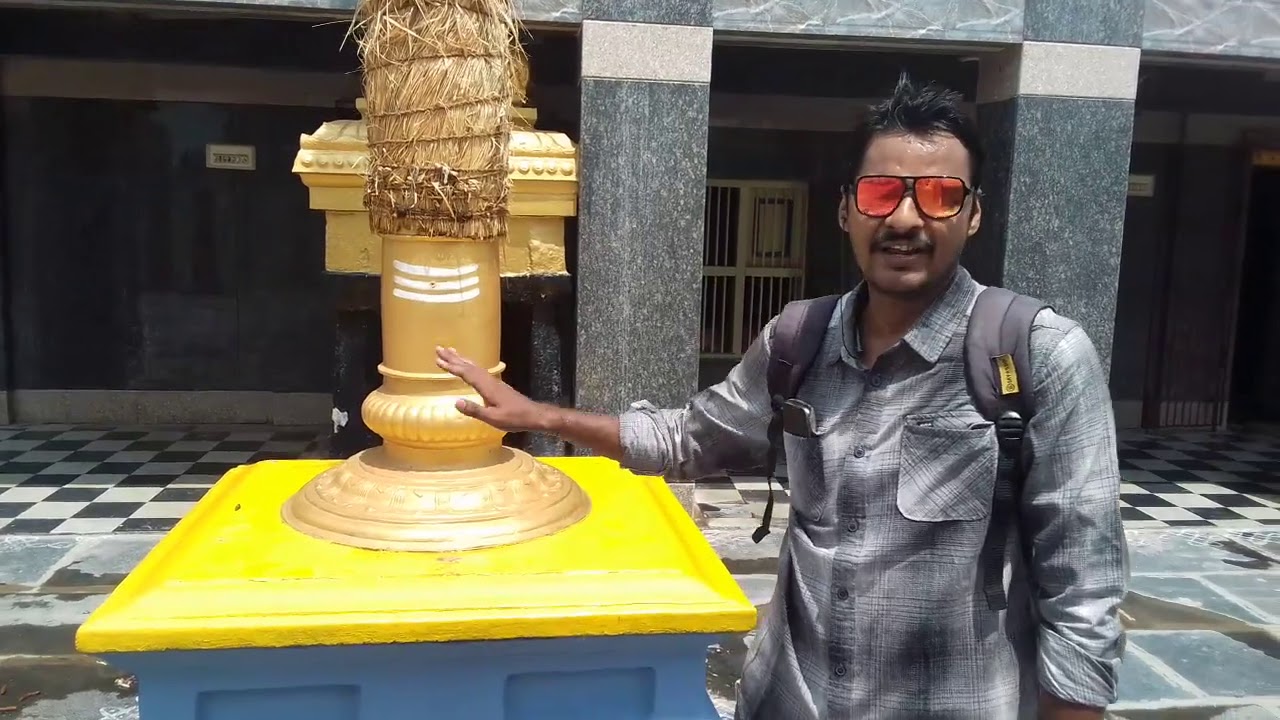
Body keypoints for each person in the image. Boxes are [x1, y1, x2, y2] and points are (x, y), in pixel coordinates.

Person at [436, 75, 1128, 719]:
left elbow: (1085, 579)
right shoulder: (801, 338)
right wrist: (537, 415)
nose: (908, 218)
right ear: (847, 210)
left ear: (973, 216)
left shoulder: (1038, 355)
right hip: (792, 698)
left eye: (941, 195)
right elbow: (693, 439)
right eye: (882, 194)